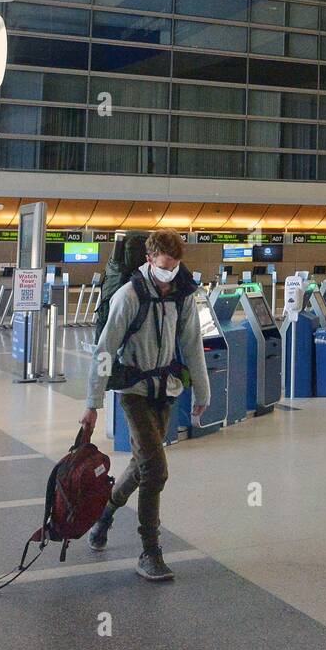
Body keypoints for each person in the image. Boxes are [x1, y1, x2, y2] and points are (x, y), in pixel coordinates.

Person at [79, 230, 208, 582]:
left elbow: (192, 343)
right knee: (156, 470)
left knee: (141, 465)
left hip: (164, 390)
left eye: (175, 266)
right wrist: (93, 403)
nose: (169, 274)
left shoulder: (182, 295)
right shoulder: (128, 296)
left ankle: (104, 515)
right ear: (149, 260)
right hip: (134, 391)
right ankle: (149, 551)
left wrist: (202, 393)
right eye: (164, 267)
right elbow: (105, 350)